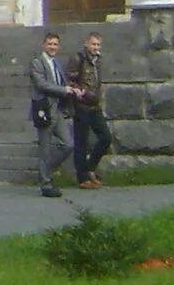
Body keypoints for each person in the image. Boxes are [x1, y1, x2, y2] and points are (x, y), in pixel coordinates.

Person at [28, 32, 74, 199]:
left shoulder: (56, 63)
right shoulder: (37, 62)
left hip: (58, 110)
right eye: (50, 44)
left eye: (55, 44)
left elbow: (62, 83)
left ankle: (45, 171)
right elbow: (41, 84)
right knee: (45, 149)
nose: (53, 47)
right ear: (44, 45)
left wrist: (71, 89)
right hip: (44, 111)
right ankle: (45, 184)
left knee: (68, 144)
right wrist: (63, 90)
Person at [68, 31, 114, 189]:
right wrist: (80, 92)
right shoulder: (78, 58)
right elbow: (70, 80)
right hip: (82, 105)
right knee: (81, 142)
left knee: (106, 137)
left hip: (95, 105)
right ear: (86, 44)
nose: (96, 47)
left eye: (98, 45)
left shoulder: (98, 60)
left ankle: (89, 168)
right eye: (93, 44)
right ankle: (82, 178)